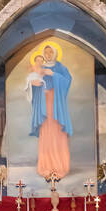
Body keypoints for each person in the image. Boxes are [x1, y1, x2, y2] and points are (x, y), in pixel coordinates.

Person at [26, 41, 72, 179]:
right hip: (44, 105)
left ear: (55, 53)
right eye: (46, 52)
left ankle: (60, 166)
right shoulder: (41, 67)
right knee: (46, 134)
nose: (48, 54)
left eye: (50, 52)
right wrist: (34, 84)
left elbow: (68, 81)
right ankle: (46, 166)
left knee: (58, 134)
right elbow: (34, 81)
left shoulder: (60, 67)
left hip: (57, 105)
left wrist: (53, 74)